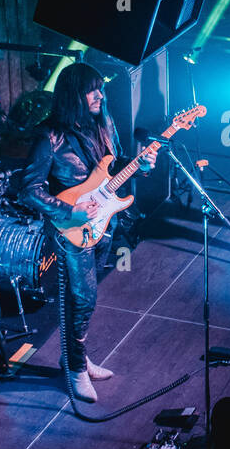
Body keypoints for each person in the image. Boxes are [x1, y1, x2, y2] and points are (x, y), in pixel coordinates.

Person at [21, 62, 156, 404]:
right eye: (91, 90)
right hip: (71, 228)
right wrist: (71, 211)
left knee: (85, 299)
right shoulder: (49, 136)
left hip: (103, 224)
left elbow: (116, 163)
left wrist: (139, 166)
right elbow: (29, 189)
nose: (100, 95)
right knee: (82, 299)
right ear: (73, 95)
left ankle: (75, 358)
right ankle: (76, 368)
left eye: (101, 88)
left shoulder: (104, 123)